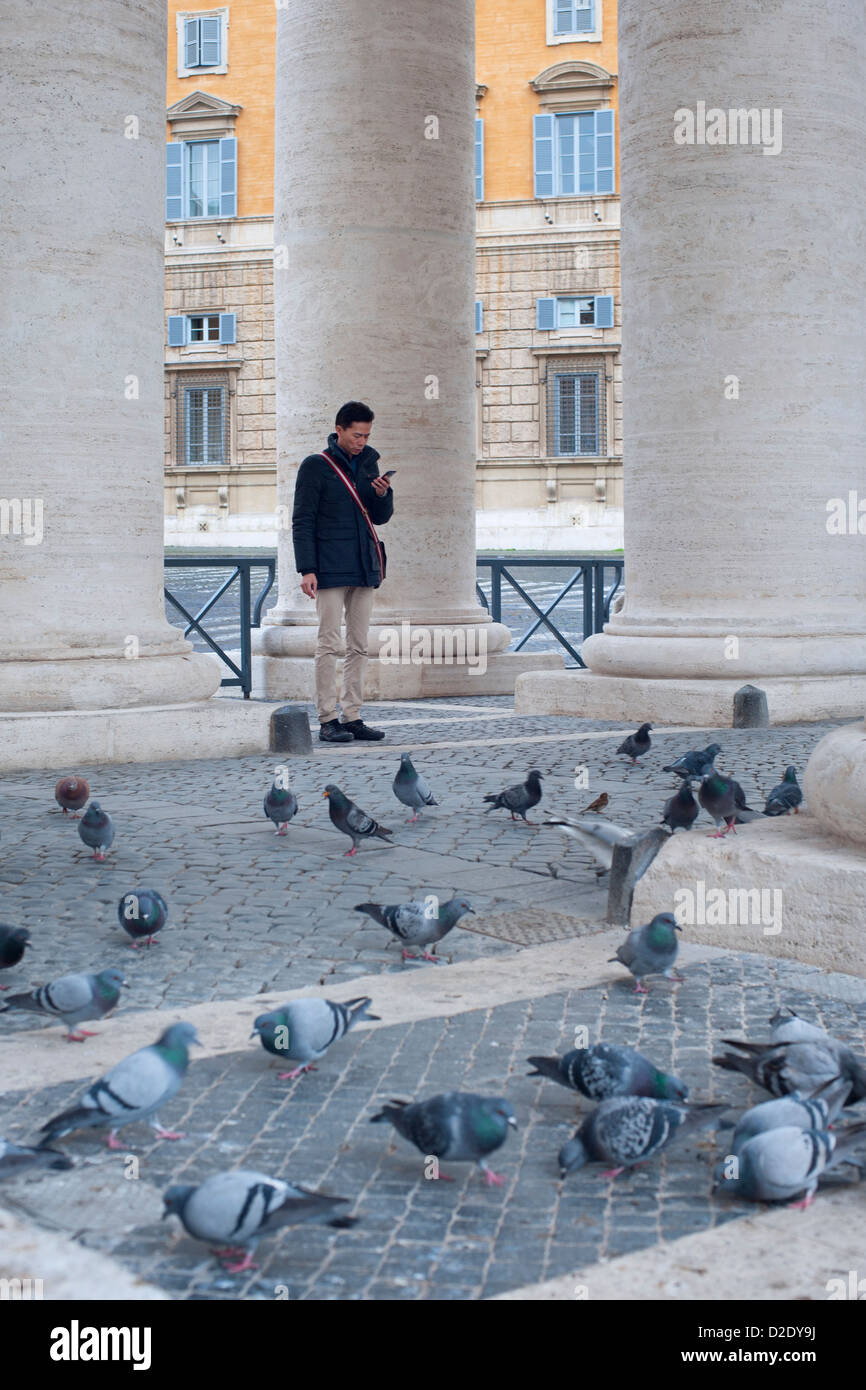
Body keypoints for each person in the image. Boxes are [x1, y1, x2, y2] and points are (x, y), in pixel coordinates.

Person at [292, 401, 394, 742]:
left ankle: (352, 716)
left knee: (359, 645)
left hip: (364, 564)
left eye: (366, 435)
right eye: (356, 435)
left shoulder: (369, 463)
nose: (362, 441)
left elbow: (379, 517)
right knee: (328, 644)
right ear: (339, 430)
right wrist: (307, 569)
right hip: (329, 567)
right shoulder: (315, 466)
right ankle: (326, 719)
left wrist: (383, 494)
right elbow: (302, 520)